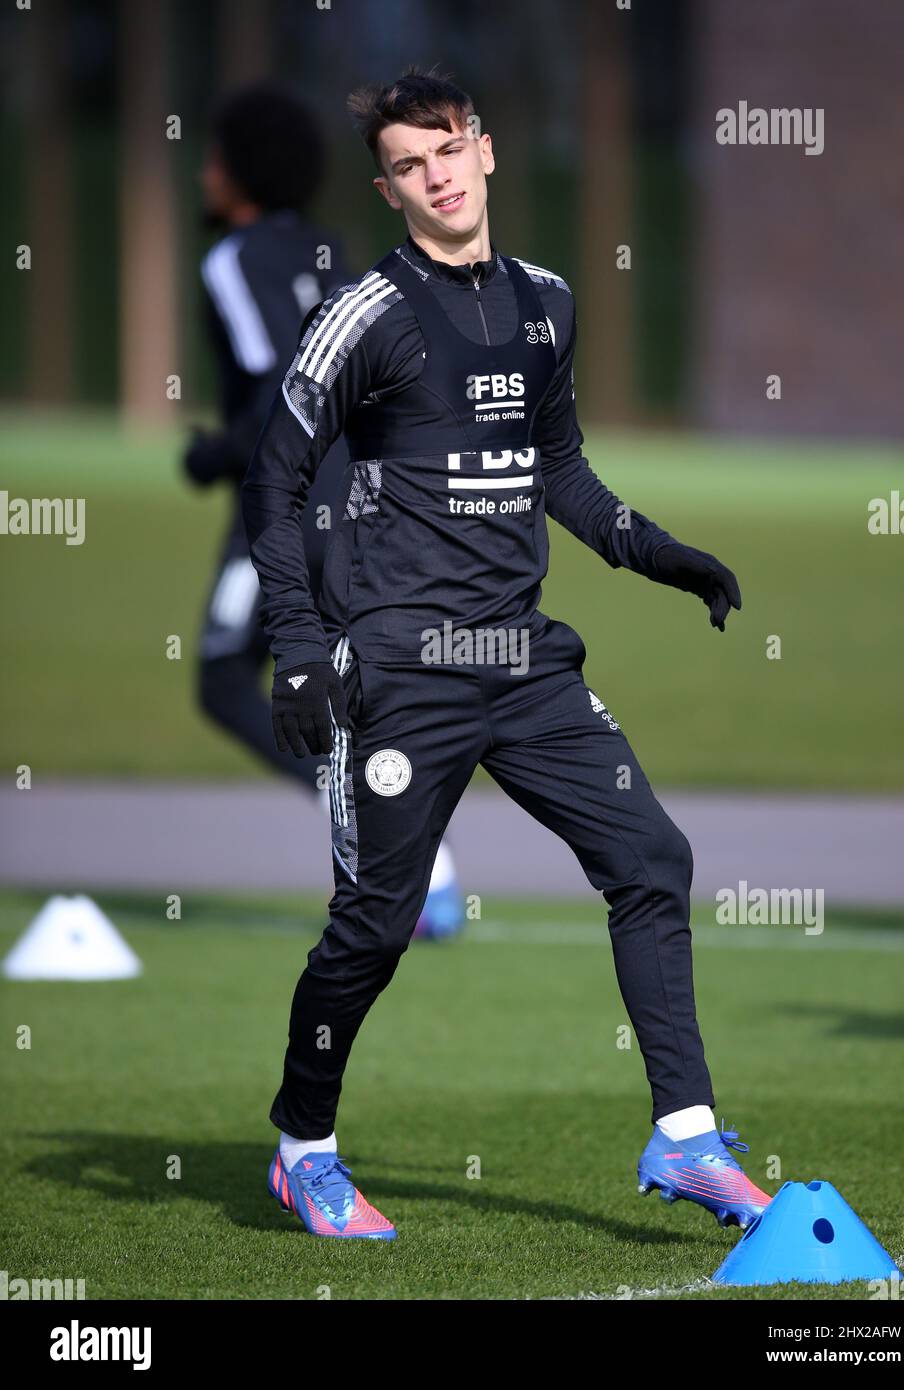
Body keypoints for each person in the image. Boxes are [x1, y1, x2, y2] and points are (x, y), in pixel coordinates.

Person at [243, 69, 770, 1241]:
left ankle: (686, 1137)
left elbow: (560, 469)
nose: (436, 174)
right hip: (402, 673)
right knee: (376, 926)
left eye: (449, 148)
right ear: (390, 190)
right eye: (408, 164)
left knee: (651, 856)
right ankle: (303, 1147)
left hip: (527, 665)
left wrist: (653, 549)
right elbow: (273, 477)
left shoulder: (546, 301)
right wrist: (297, 647)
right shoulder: (364, 315)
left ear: (483, 152)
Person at [185, 81, 464, 940]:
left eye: (214, 158)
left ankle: (401, 844)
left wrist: (213, 454)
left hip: (287, 498)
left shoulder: (231, 260)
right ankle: (421, 869)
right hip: (365, 492)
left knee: (227, 677)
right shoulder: (332, 253)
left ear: (239, 173)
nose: (202, 174)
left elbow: (281, 381)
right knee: (343, 683)